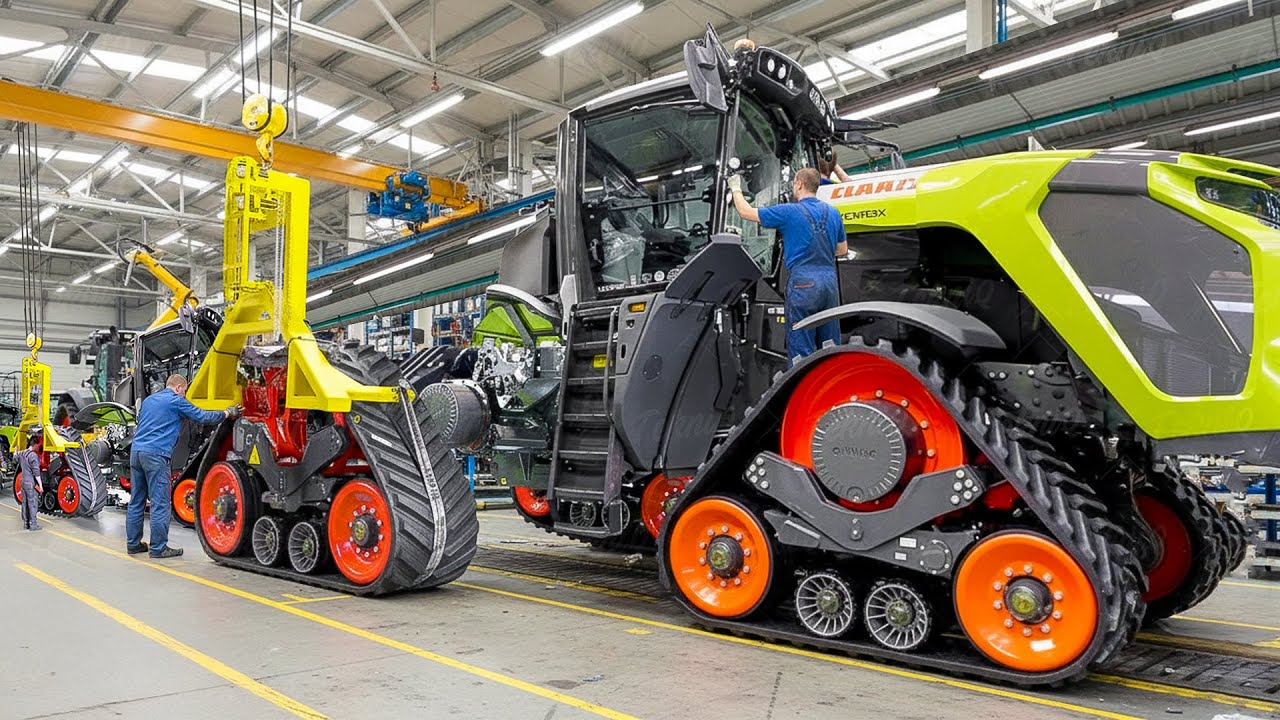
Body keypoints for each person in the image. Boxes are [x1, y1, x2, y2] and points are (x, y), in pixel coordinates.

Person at [728, 166, 848, 363]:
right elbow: (842, 250)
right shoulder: (833, 213)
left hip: (804, 284)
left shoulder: (790, 212)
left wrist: (735, 188)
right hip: (830, 284)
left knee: (802, 349)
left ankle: (804, 387)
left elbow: (745, 212)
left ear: (799, 184)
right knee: (829, 346)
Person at [127, 374, 238, 558]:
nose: (184, 394)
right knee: (160, 503)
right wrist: (227, 413)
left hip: (136, 453)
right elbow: (202, 416)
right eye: (184, 391)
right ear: (179, 388)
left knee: (136, 501)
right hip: (156, 454)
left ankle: (133, 544)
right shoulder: (176, 401)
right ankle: (158, 548)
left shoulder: (149, 401)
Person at [16, 429, 43, 531]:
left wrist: (15, 451)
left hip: (22, 481)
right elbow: (36, 473)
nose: (39, 447)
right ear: (35, 444)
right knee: (32, 503)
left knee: (25, 503)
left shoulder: (22, 453)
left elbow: (15, 459)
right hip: (31, 483)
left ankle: (26, 523)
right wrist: (40, 486)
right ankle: (33, 525)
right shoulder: (33, 455)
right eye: (38, 445)